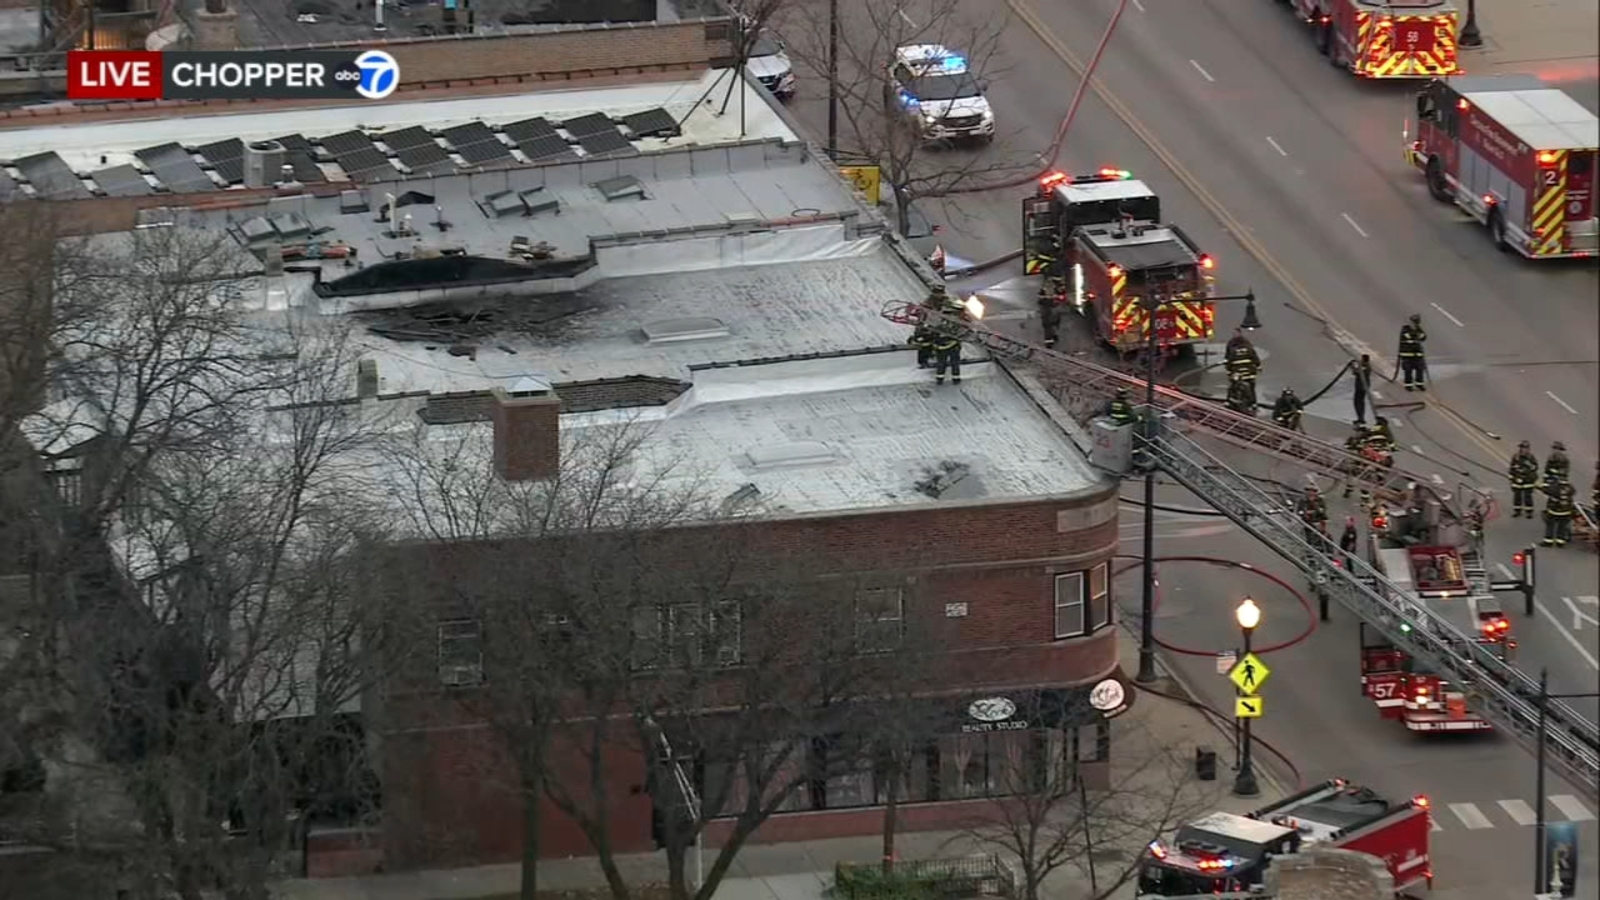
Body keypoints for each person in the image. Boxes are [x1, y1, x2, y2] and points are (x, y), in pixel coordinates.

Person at [1508, 440, 1540, 518]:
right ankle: (1517, 511)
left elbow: (1535, 467)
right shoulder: (1516, 456)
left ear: (1528, 448)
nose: (1523, 449)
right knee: (1517, 496)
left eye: (1525, 448)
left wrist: (1528, 467)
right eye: (1522, 447)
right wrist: (1511, 478)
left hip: (1527, 480)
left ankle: (1529, 512)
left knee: (1527, 497)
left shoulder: (1531, 457)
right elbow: (1511, 468)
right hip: (1517, 480)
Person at [930, 315, 963, 385]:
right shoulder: (953, 328)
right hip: (946, 348)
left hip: (950, 348)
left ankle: (952, 378)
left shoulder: (954, 328)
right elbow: (933, 338)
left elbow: (959, 338)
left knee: (951, 363)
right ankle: (943, 379)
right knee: (944, 363)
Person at [1543, 478, 1576, 547]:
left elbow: (1547, 491)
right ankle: (1560, 542)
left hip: (1554, 511)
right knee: (1562, 527)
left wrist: (1545, 486)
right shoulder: (1570, 488)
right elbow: (1573, 492)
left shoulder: (1555, 487)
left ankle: (1548, 542)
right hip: (1566, 512)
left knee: (1550, 526)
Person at [1398, 314, 1427, 391]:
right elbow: (1408, 336)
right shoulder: (1405, 329)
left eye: (1416, 322)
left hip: (1417, 354)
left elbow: (1424, 337)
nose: (1415, 323)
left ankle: (1419, 384)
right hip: (1407, 355)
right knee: (1408, 370)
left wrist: (1418, 334)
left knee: (1420, 369)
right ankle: (1408, 385)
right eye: (1414, 322)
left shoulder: (1418, 329)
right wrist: (1416, 334)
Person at [1037, 284, 1061, 348]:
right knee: (1050, 325)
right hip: (1050, 310)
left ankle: (1050, 339)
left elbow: (1040, 300)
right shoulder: (1055, 290)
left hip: (1049, 310)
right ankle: (1050, 340)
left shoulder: (1044, 290)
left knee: (1049, 326)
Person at [1352, 353, 1373, 424]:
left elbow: (1357, 372)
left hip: (1361, 387)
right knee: (1359, 402)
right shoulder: (1364, 366)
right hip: (1361, 386)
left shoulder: (1365, 366)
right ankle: (1360, 417)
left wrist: (1352, 367)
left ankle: (1361, 418)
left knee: (1358, 402)